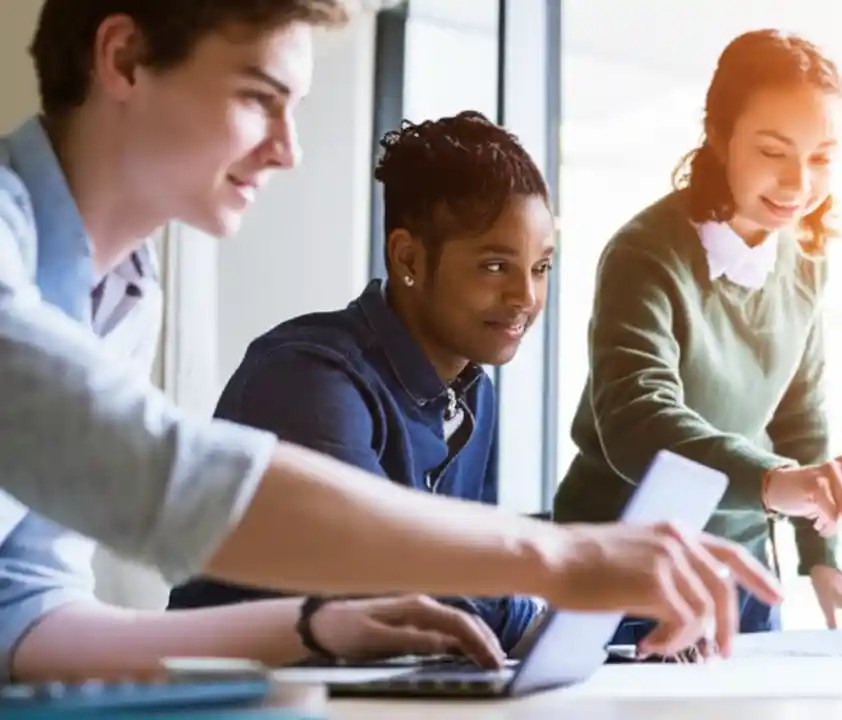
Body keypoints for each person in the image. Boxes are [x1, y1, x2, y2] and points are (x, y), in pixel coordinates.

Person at [0, 0, 782, 681]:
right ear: (124, 59)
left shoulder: (124, 296)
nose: (288, 149)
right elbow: (165, 475)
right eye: (259, 98)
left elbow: (28, 614)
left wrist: (311, 629)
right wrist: (560, 557)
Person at [554, 29, 842, 643]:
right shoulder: (645, 253)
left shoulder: (805, 261)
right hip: (625, 562)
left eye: (821, 158)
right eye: (773, 151)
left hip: (741, 572)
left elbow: (800, 420)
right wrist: (775, 482)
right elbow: (636, 419)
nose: (798, 184)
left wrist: (822, 562)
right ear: (718, 134)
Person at [169, 111, 557, 656]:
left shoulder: (475, 395)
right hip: (250, 688)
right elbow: (387, 568)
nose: (526, 297)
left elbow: (470, 573)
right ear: (408, 258)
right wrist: (554, 598)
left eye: (541, 268)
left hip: (379, 684)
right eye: (495, 266)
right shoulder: (310, 377)